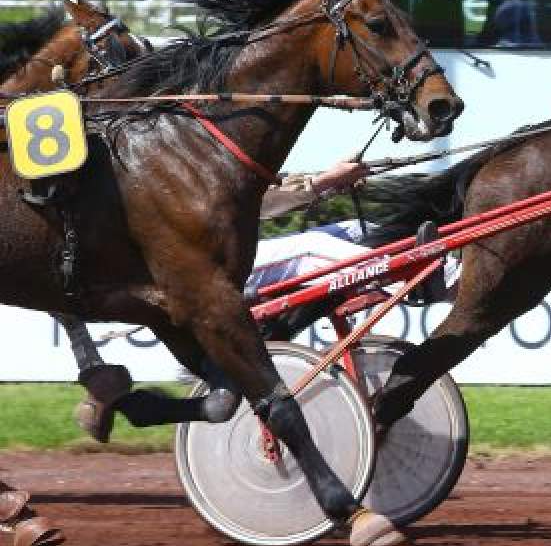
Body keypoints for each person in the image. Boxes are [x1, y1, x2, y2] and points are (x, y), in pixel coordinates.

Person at [73, 159, 372, 442]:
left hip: (235, 254)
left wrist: (328, 183)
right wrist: (323, 183)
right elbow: (249, 204)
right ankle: (414, 286)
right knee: (315, 249)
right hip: (213, 270)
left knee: (354, 230)